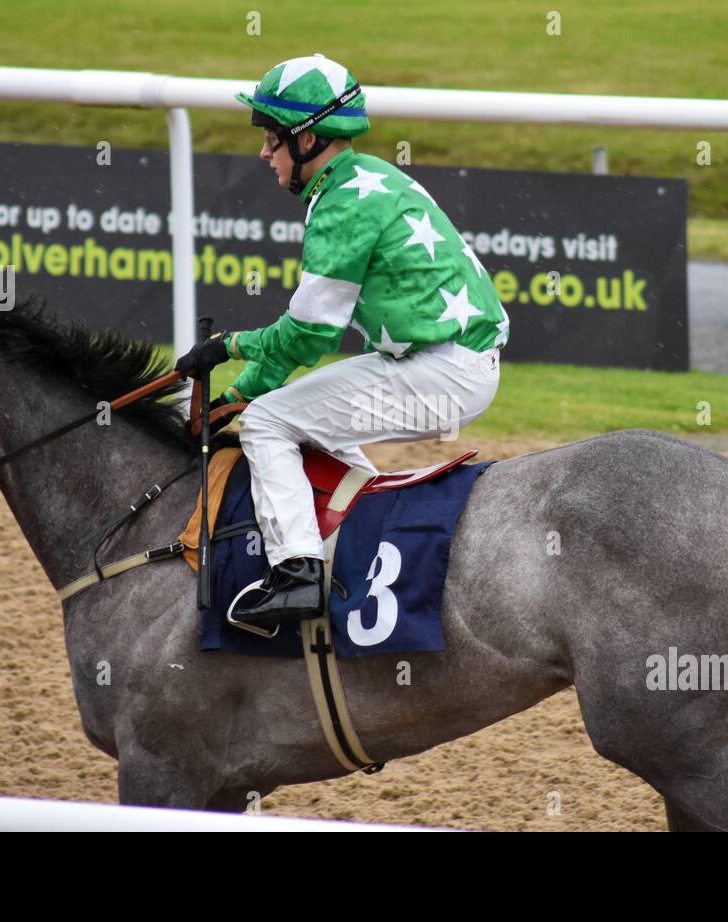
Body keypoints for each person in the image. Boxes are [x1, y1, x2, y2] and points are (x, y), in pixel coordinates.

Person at [175, 54, 508, 630]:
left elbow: (309, 332)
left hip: (444, 371)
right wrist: (248, 388)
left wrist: (228, 349)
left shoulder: (341, 204)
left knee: (268, 425)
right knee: (284, 414)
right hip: (444, 361)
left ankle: (297, 575)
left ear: (306, 138)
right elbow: (306, 336)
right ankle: (351, 541)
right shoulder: (362, 178)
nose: (264, 152)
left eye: (272, 138)